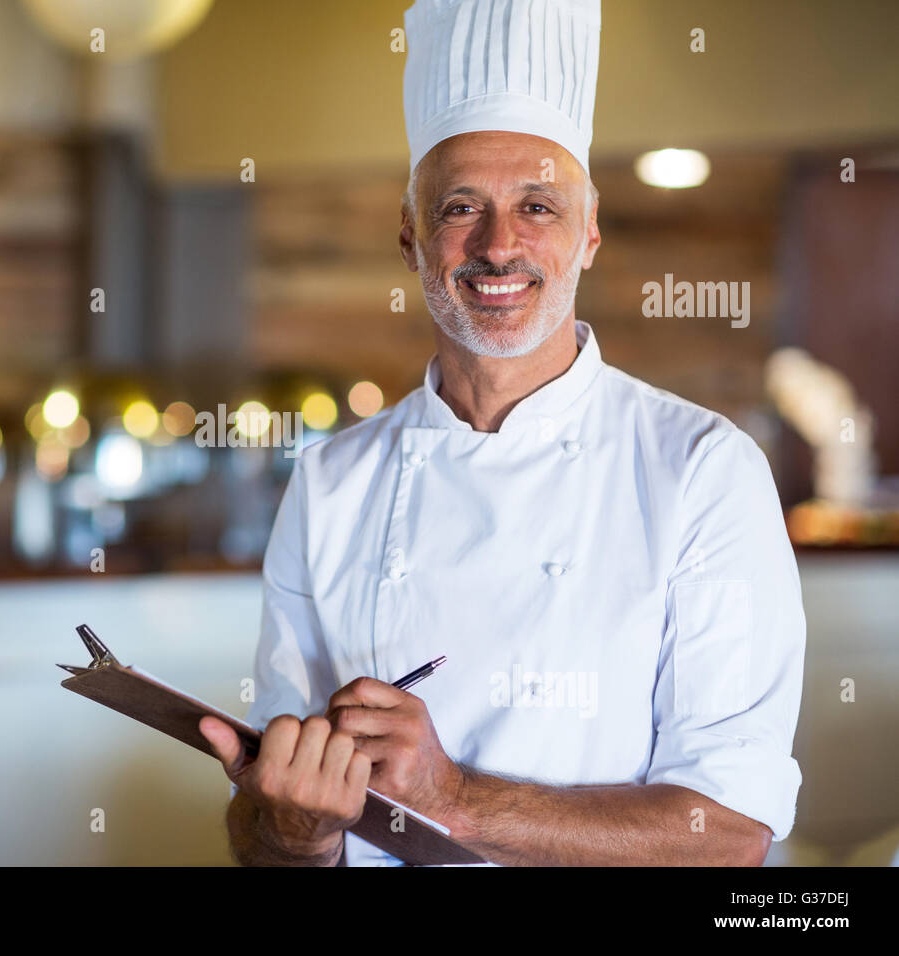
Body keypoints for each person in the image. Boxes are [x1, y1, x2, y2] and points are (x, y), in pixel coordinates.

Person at [198, 0, 805, 866]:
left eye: (538, 207)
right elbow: (266, 839)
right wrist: (294, 831)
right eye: (458, 208)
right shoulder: (330, 482)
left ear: (588, 233)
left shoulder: (703, 471)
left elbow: (729, 835)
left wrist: (453, 799)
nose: (498, 245)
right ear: (410, 237)